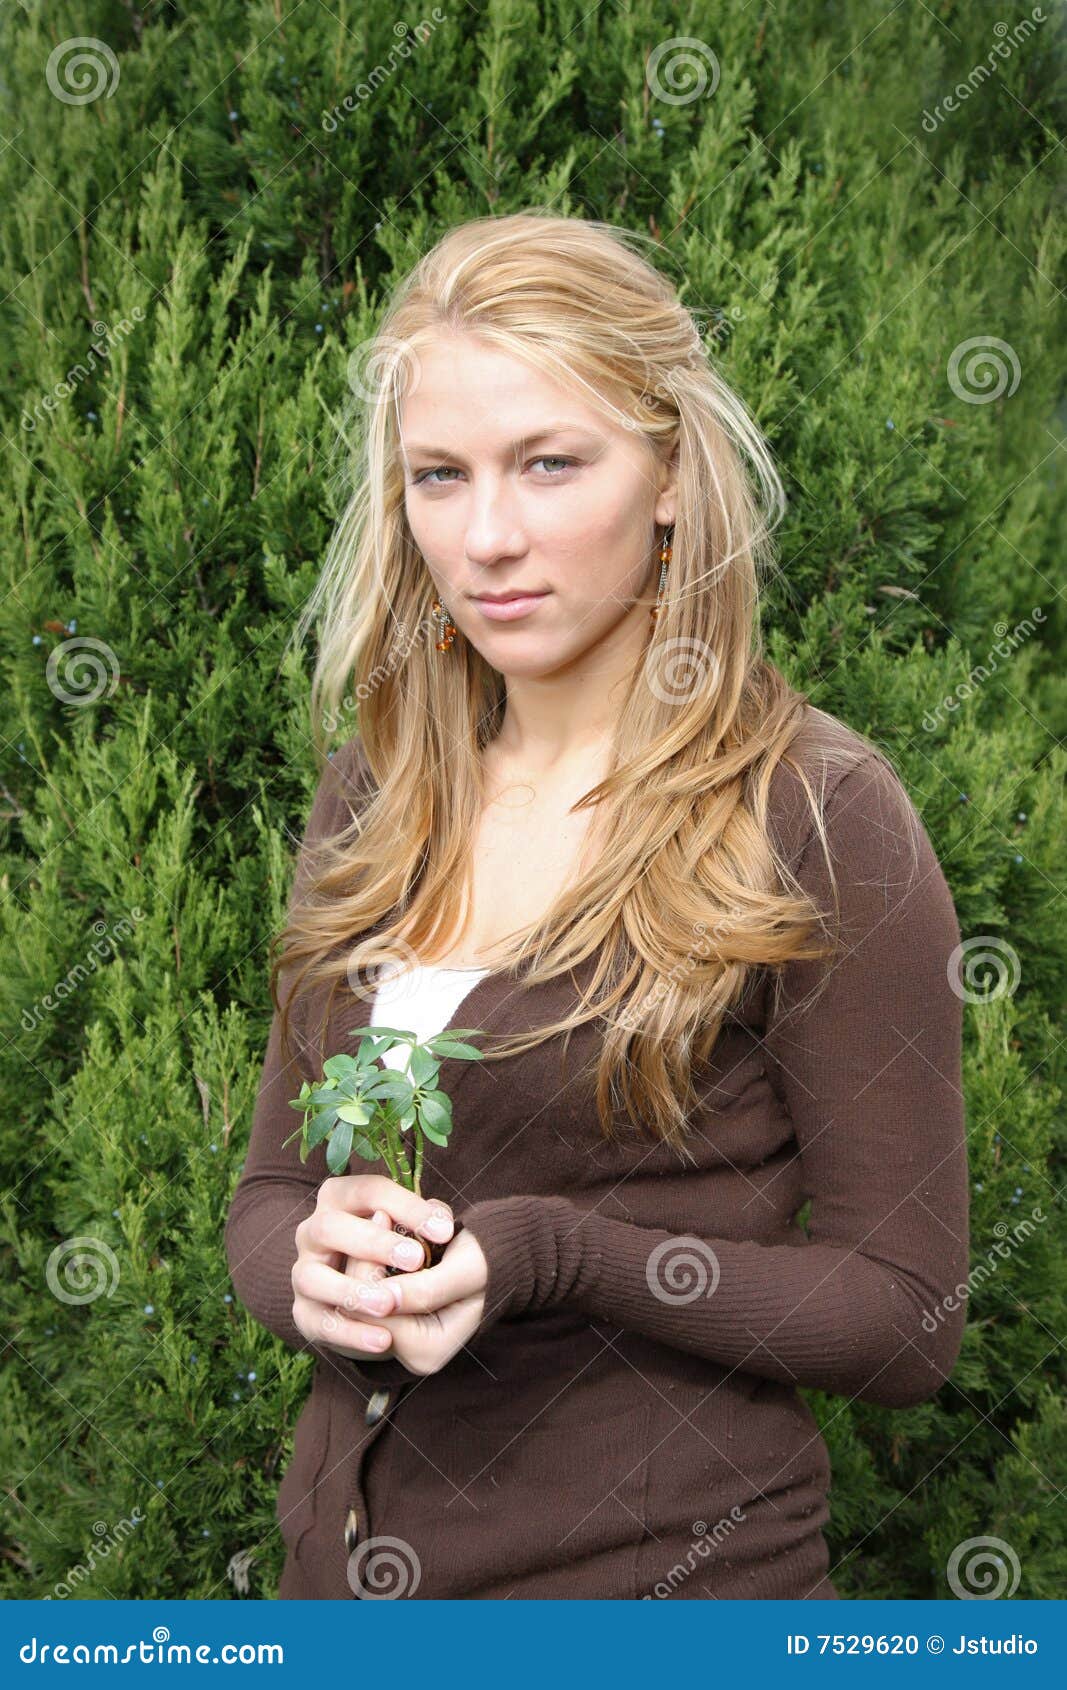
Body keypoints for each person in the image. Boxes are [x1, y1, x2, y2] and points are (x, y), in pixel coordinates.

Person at [224, 210, 969, 1601]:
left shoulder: (812, 812)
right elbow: (272, 1192)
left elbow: (909, 1317)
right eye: (438, 476)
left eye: (550, 463)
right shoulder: (380, 787)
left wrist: (558, 1255)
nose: (487, 535)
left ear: (672, 474)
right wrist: (307, 1275)